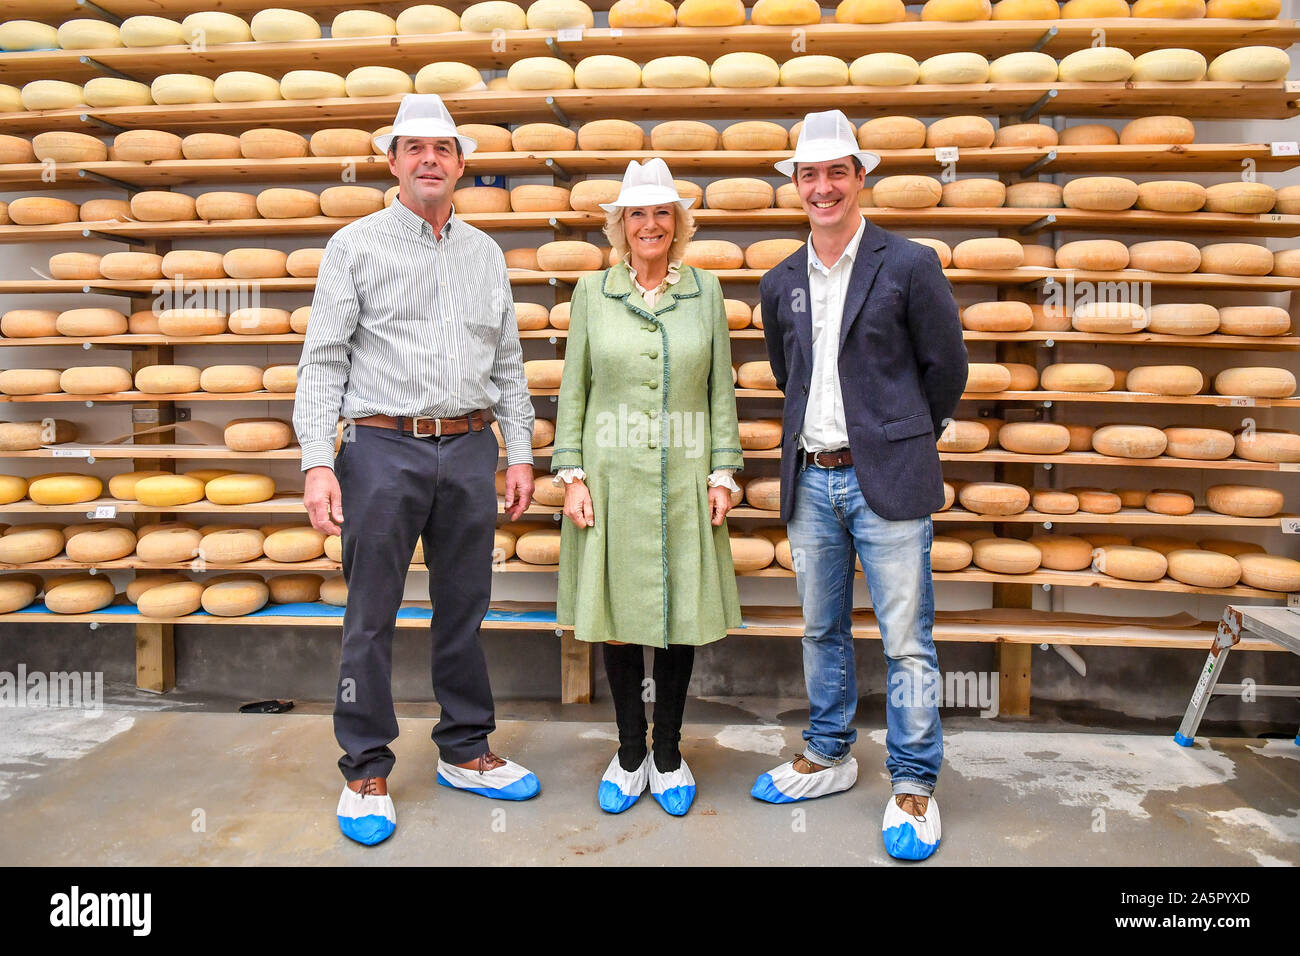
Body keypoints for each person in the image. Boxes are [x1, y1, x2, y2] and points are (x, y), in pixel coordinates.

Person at [295, 93, 541, 847]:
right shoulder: (355, 245)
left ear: (461, 164)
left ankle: (466, 749)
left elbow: (507, 362)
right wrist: (315, 461)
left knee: (464, 608)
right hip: (379, 448)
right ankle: (365, 765)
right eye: (415, 148)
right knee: (369, 615)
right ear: (393, 160)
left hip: (469, 446)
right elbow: (324, 359)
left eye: (443, 149)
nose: (430, 159)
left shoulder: (485, 253)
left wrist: (521, 448)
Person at [751, 110, 967, 860]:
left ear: (859, 177)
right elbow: (789, 375)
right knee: (821, 628)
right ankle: (829, 752)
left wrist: (899, 437)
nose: (822, 186)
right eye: (809, 175)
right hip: (812, 480)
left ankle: (912, 781)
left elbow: (947, 371)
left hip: (889, 478)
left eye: (836, 172)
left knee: (908, 641)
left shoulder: (908, 264)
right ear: (796, 186)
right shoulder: (779, 281)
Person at [551, 159, 744, 817]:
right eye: (639, 213)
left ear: (678, 224)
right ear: (621, 225)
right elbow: (572, 388)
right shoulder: (591, 290)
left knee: (680, 612)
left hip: (686, 472)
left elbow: (721, 387)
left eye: (663, 213)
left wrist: (724, 470)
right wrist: (571, 474)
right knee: (614, 617)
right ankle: (630, 751)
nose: (651, 224)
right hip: (608, 475)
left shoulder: (706, 292)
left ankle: (668, 753)